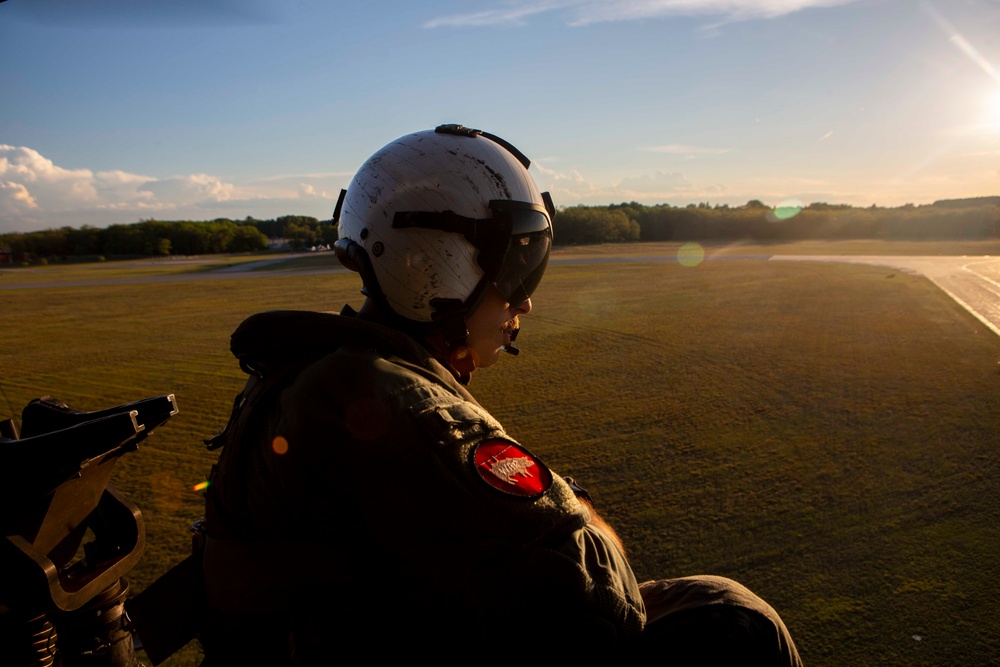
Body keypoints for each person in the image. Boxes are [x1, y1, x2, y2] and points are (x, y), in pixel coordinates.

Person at [198, 124, 803, 663]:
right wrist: (578, 508)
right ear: (441, 265)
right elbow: (601, 601)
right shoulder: (397, 406)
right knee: (735, 622)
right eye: (517, 270)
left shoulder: (318, 371)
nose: (526, 301)